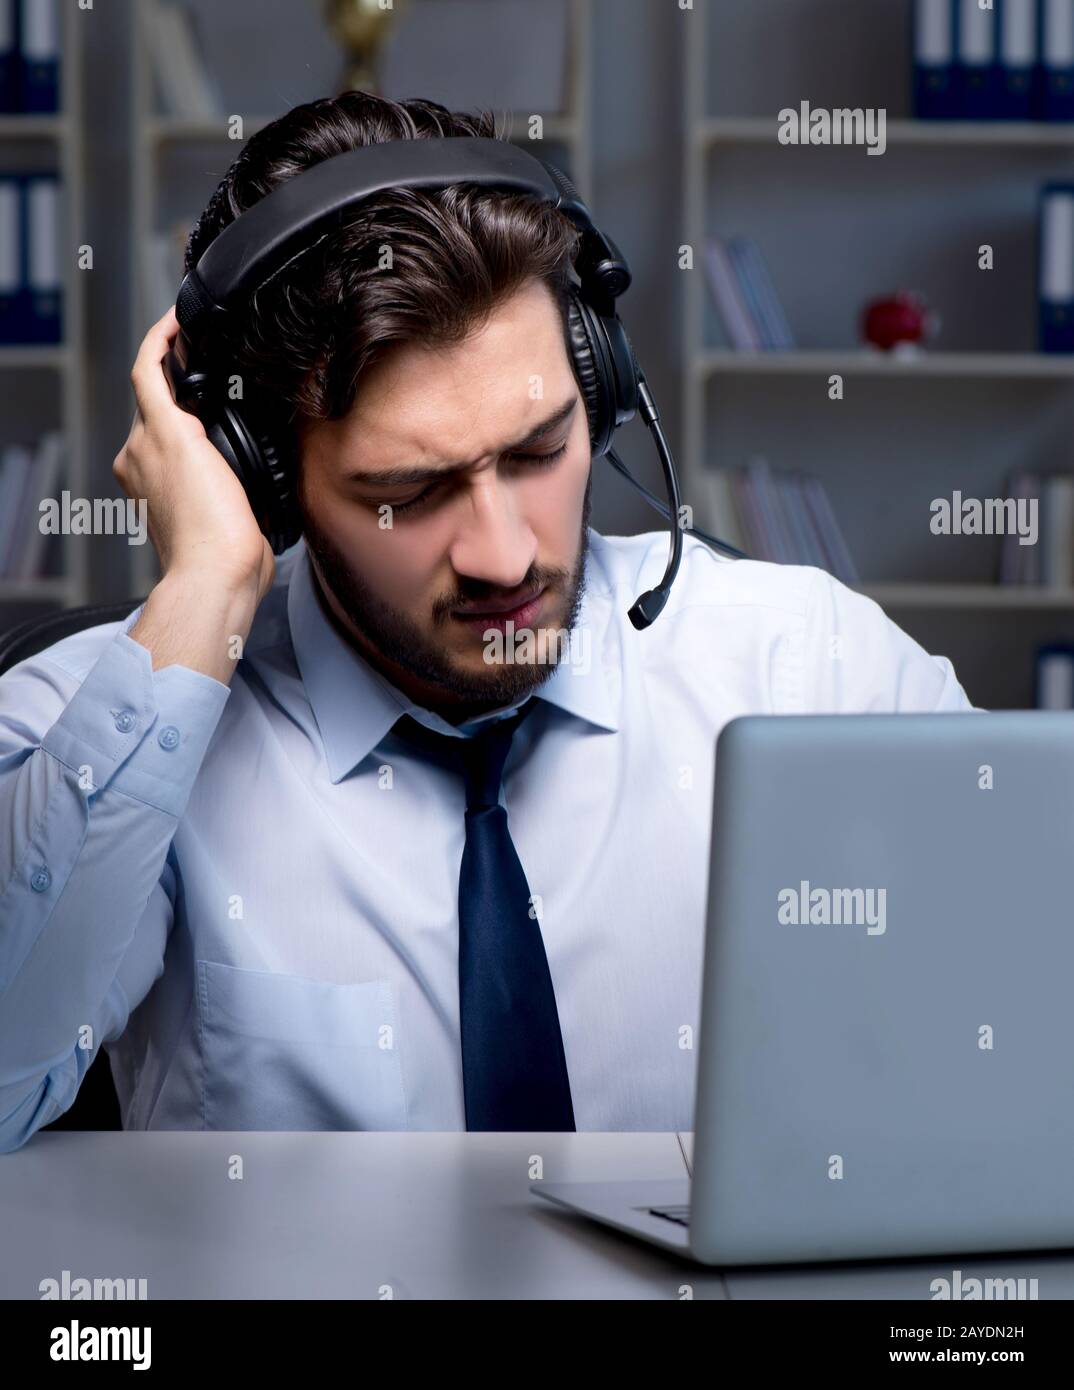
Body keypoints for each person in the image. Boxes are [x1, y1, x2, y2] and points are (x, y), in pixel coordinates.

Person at [0, 93, 974, 1152]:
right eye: (409, 493)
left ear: (600, 390)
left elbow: (1013, 1034)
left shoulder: (813, 671)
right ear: (262, 478)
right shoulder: (107, 725)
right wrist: (204, 590)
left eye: (538, 451)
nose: (505, 557)